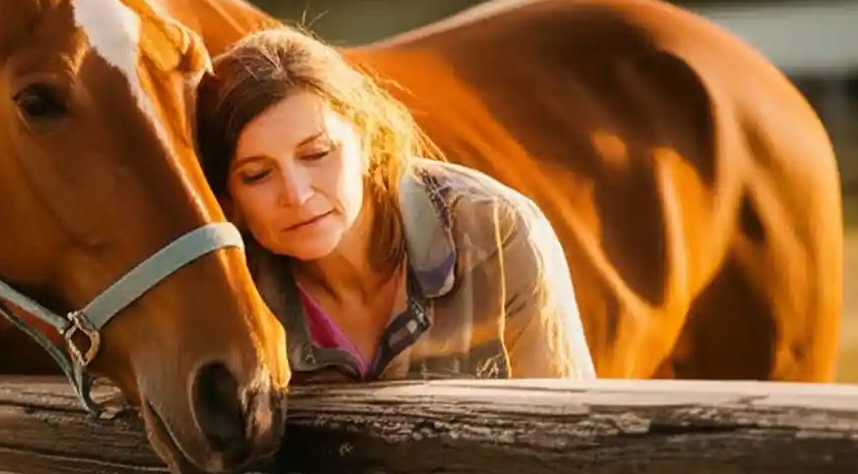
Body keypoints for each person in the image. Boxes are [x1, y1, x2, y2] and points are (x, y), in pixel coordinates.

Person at [195, 26, 596, 381]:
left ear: (367, 139)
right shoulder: (228, 286)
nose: (297, 194)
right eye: (257, 175)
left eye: (317, 154)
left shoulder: (495, 229)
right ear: (229, 197)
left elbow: (568, 434)